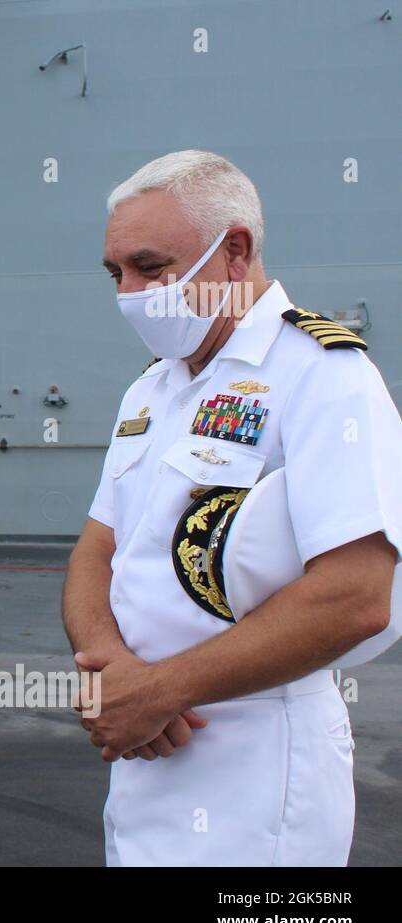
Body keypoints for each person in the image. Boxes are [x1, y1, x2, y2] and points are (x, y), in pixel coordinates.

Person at [63, 149, 401, 865]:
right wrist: (109, 671)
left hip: (258, 772)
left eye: (150, 268)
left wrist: (159, 689)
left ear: (236, 251)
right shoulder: (152, 392)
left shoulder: (322, 376)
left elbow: (358, 596)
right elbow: (99, 549)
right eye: (115, 273)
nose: (128, 292)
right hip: (140, 750)